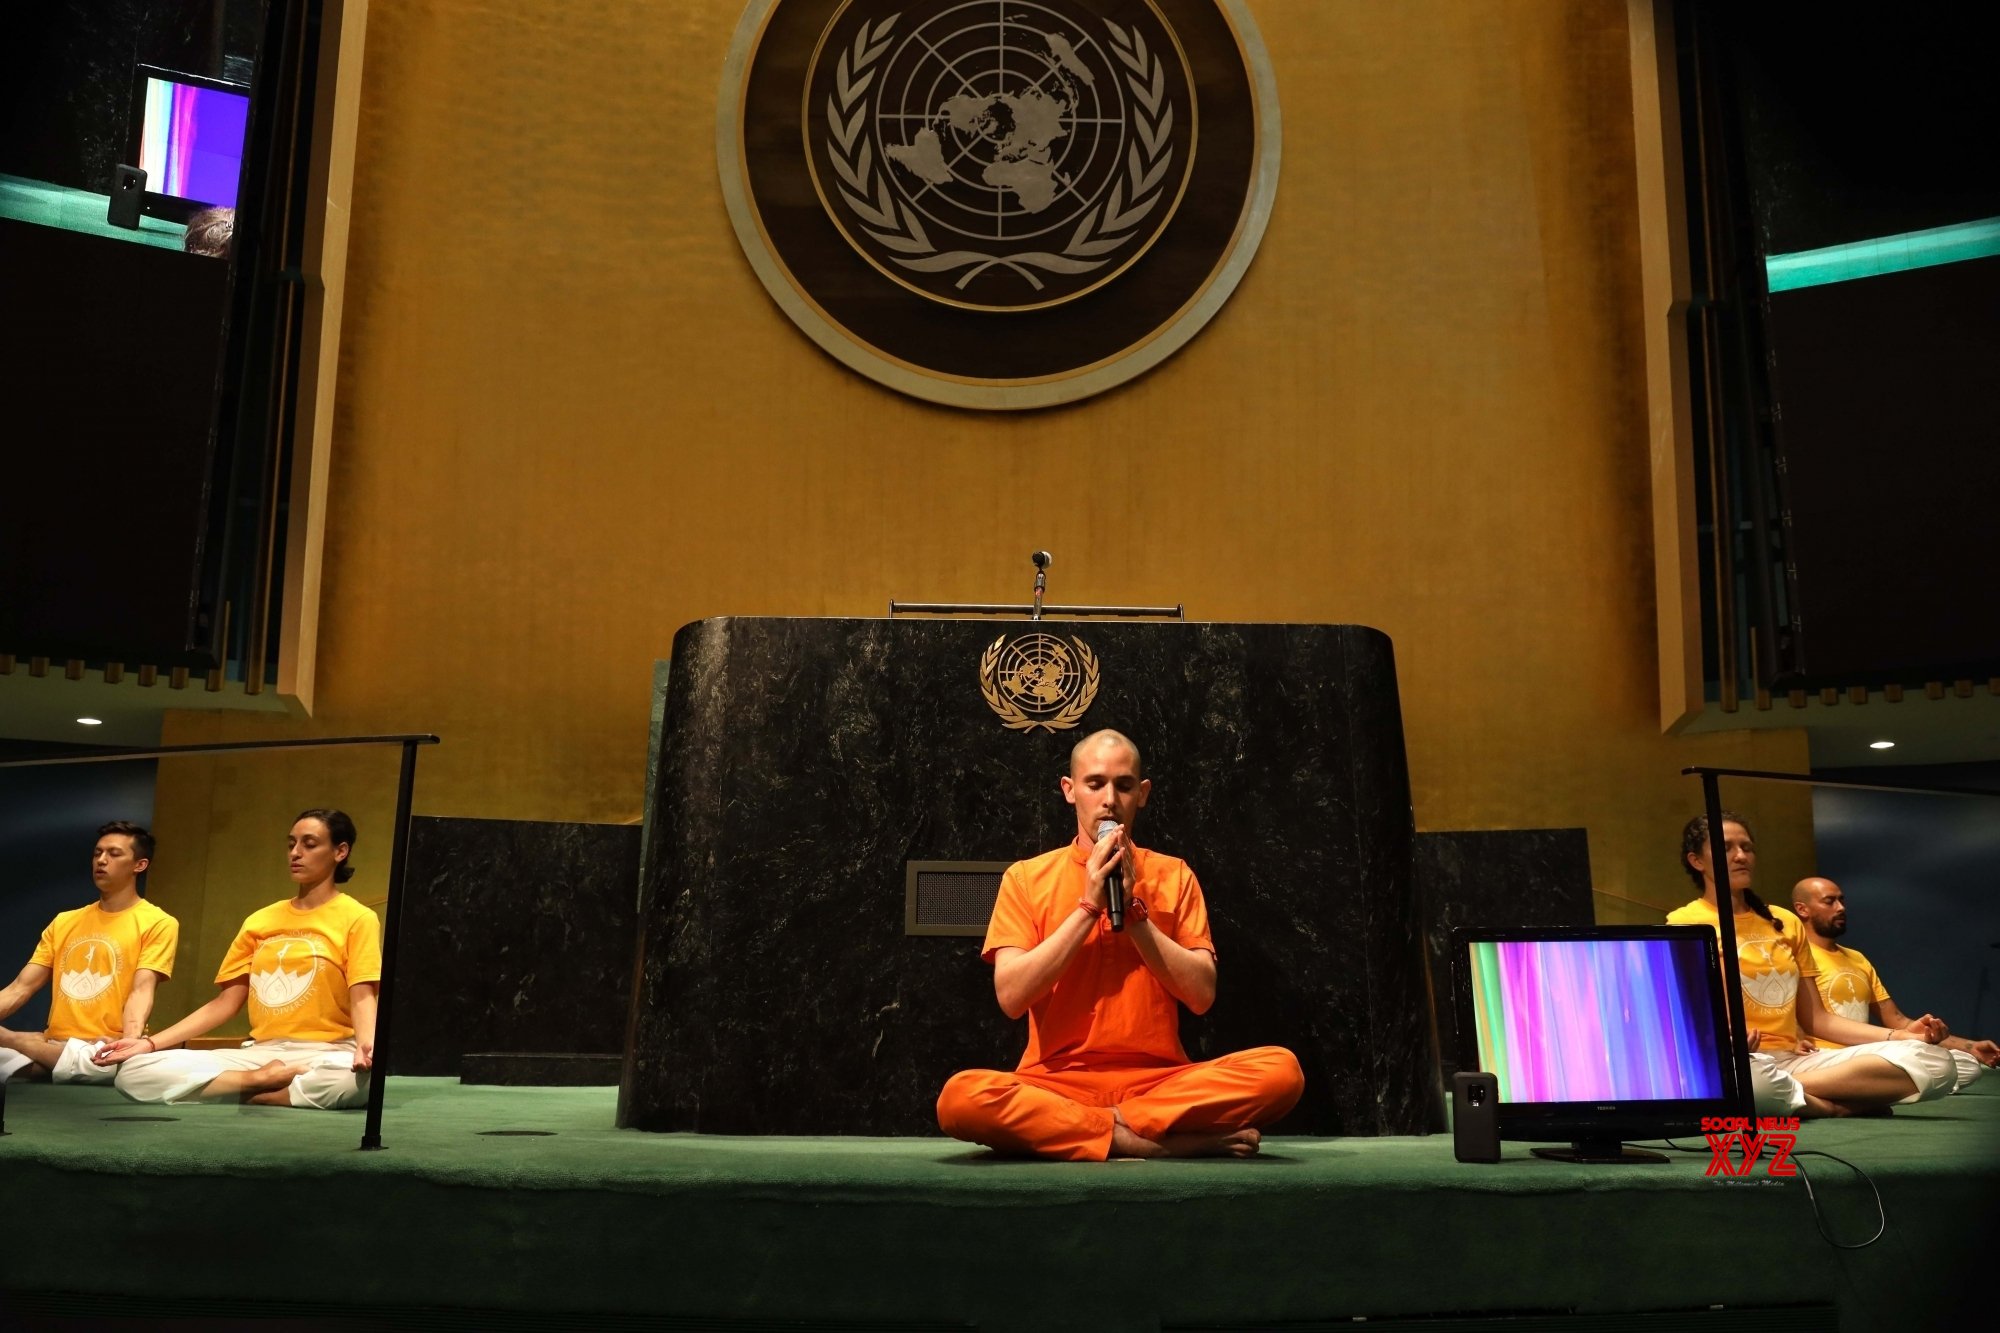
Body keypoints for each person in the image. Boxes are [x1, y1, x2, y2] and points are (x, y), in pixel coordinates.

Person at [936, 730, 1304, 1160]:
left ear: (1142, 794)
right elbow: (1012, 996)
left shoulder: (1174, 875)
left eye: (1124, 785)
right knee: (960, 1098)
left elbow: (1202, 996)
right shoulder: (1025, 878)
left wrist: (1131, 912)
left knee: (1282, 1072)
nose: (1109, 799)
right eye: (1095, 784)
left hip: (1159, 1084)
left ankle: (1097, 1132)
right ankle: (1149, 1142)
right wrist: (1089, 908)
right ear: (1070, 791)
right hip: (1056, 1083)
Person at [1666, 813, 1955, 1117]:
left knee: (1937, 1062)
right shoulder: (1684, 923)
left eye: (1747, 847)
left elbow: (1818, 1020)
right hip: (1741, 1061)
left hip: (1793, 1061)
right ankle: (1836, 1105)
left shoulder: (1786, 922)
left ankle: (1800, 1097)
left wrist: (1903, 1036)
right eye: (1726, 847)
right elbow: (1683, 1019)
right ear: (1697, 861)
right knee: (1748, 1084)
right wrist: (1722, 1038)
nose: (1741, 856)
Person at [96, 809, 380, 1110]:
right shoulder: (260, 920)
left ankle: (250, 1093)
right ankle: (263, 1082)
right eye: (291, 844)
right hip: (261, 1054)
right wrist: (148, 1044)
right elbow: (225, 1004)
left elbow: (362, 996)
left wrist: (366, 1050)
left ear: (340, 851)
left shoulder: (358, 918)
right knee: (134, 1073)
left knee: (359, 1082)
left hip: (325, 1052)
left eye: (309, 844)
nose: (295, 853)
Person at [0, 822, 178, 1083]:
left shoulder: (158, 922)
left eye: (114, 854)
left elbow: (142, 990)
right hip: (55, 1044)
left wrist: (129, 1042)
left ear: (139, 865)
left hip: (102, 1047)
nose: (102, 861)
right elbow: (20, 988)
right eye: (97, 853)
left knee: (108, 1065)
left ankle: (16, 1041)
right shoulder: (64, 921)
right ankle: (39, 1053)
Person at [1790, 876, 1996, 1092]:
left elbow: (1896, 1019)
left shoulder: (1856, 958)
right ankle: (1845, 1086)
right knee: (1934, 1064)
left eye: (1842, 900)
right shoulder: (1794, 956)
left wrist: (1970, 1047)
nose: (1841, 907)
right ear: (1803, 910)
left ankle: (1862, 1087)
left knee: (1966, 1065)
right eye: (1829, 901)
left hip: (1867, 1053)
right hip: (1822, 1055)